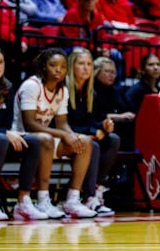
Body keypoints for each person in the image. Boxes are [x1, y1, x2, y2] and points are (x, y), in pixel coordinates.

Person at [10, 48, 97, 218]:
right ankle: (43, 200)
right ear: (43, 67)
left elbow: (63, 124)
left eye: (63, 67)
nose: (59, 70)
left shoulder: (62, 90)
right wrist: (63, 134)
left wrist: (72, 136)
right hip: (20, 138)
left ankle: (73, 199)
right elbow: (30, 124)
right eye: (53, 65)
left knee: (85, 141)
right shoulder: (31, 86)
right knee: (46, 139)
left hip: (44, 138)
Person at [0, 45, 47, 221]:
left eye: (1, 62)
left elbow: (6, 122)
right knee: (0, 140)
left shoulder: (7, 87)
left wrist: (7, 132)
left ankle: (23, 200)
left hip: (0, 135)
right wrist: (6, 133)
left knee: (34, 141)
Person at [65, 48, 117, 216]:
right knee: (92, 145)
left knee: (113, 139)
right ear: (72, 66)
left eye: (88, 64)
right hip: (65, 136)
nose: (86, 68)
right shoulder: (65, 89)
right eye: (81, 64)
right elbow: (67, 124)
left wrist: (103, 125)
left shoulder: (90, 92)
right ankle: (87, 196)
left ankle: (97, 189)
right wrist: (94, 130)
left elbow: (89, 120)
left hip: (82, 135)